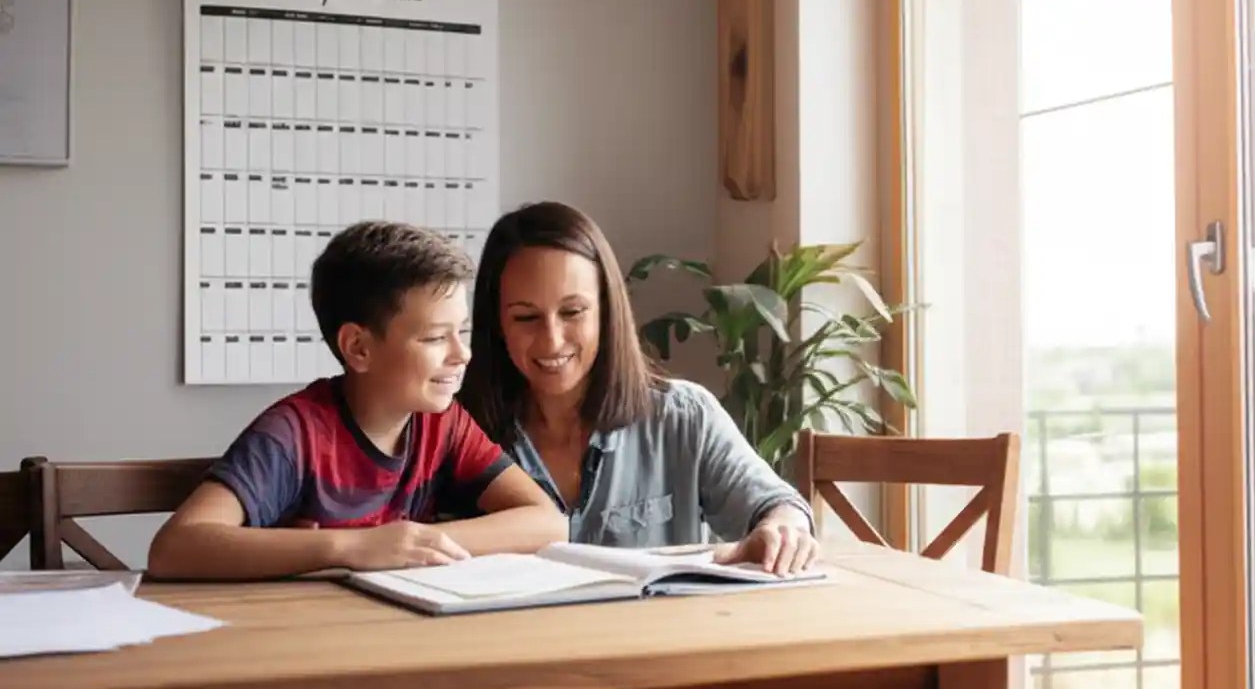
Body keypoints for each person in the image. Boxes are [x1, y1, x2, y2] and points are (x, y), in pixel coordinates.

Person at [149, 222, 566, 580]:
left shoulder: (444, 424)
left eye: (463, 331)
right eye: (437, 337)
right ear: (359, 348)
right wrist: (351, 548)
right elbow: (175, 547)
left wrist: (411, 546)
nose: (462, 354)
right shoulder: (295, 434)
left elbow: (547, 522)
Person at [458, 201, 819, 577]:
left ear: (606, 312)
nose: (552, 340)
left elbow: (775, 504)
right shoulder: (453, 432)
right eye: (526, 317)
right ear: (497, 324)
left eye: (573, 312)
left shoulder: (683, 416)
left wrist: (783, 529)